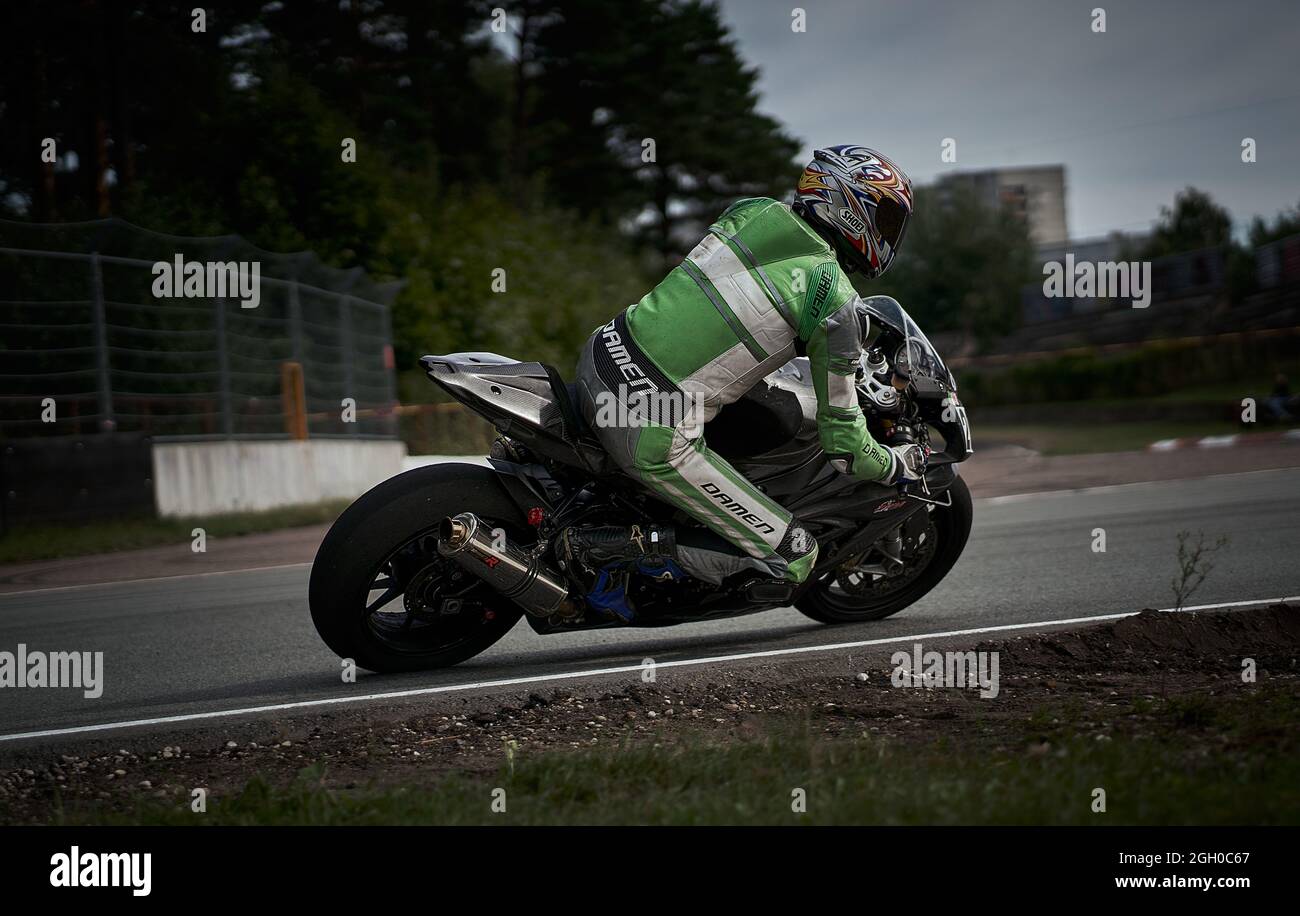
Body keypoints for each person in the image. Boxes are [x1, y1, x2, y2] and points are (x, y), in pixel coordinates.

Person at [566, 145, 925, 621]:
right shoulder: (836, 302)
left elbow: (728, 309)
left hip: (603, 353)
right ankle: (601, 550)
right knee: (796, 555)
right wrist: (895, 464)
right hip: (648, 425)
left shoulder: (753, 212)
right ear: (850, 207)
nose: (886, 235)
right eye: (884, 220)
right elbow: (844, 447)